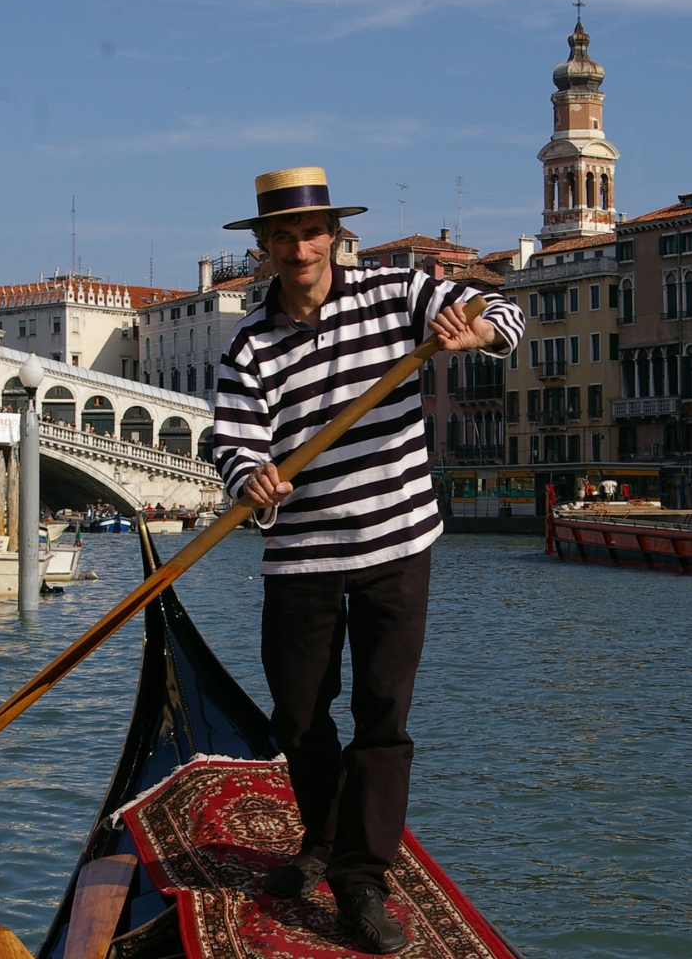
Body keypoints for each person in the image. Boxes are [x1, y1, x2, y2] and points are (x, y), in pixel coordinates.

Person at [212, 167, 523, 952]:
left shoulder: (396, 293)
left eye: (311, 232)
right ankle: (320, 836)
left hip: (395, 541)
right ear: (264, 247)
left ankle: (360, 879)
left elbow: (507, 314)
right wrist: (251, 473)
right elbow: (232, 437)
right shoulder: (251, 343)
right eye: (282, 235)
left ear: (334, 238)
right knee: (300, 716)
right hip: (302, 552)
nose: (299, 246)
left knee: (383, 717)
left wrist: (474, 332)